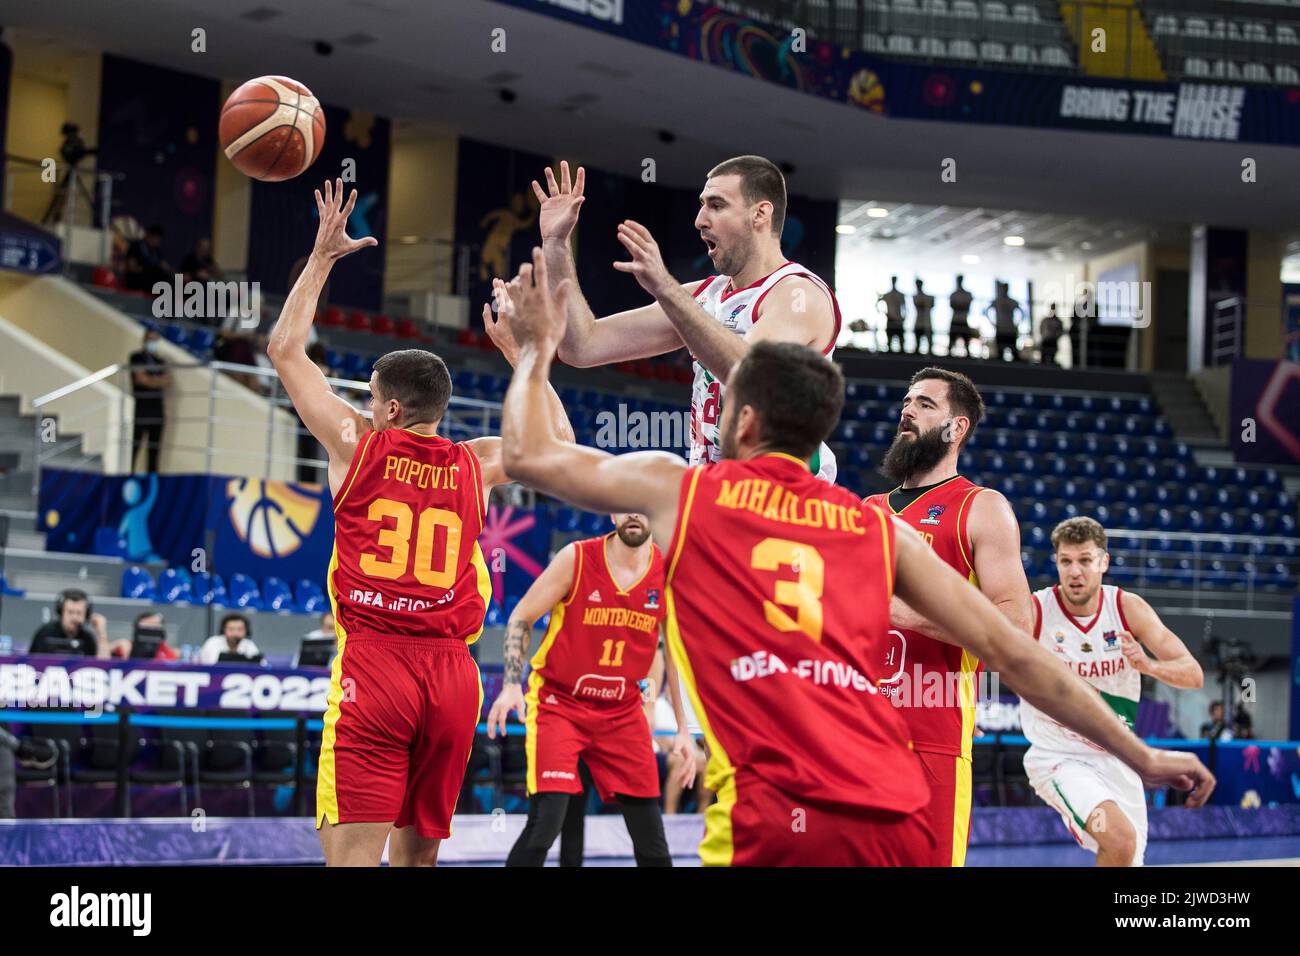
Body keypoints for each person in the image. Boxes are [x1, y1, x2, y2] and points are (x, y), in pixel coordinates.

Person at [492, 251, 1214, 866]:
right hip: (889, 811)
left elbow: (527, 455)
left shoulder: (686, 494)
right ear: (822, 433)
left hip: (775, 811)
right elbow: (1018, 653)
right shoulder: (875, 530)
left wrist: (534, 350)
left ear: (739, 420)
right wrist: (1142, 756)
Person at [266, 180, 572, 867]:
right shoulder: (478, 463)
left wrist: (321, 257)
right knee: (417, 864)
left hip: (374, 669)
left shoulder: (358, 444)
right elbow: (561, 444)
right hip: (454, 677)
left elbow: (286, 349)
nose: (365, 406)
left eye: (370, 398)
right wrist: (523, 355)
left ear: (392, 411)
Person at [536, 157, 841, 482]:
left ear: (760, 214)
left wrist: (665, 287)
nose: (699, 220)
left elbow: (749, 375)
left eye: (717, 205)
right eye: (701, 205)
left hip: (780, 498)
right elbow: (581, 345)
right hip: (714, 492)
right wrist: (555, 246)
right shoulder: (705, 296)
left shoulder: (797, 294)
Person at [862, 367, 1033, 867]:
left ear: (957, 428)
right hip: (856, 733)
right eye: (906, 402)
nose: (907, 411)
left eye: (925, 404)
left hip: (931, 734)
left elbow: (1016, 629)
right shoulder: (867, 510)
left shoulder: (981, 507)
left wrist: (904, 613)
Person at [487, 513, 693, 867]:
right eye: (622, 505)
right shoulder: (577, 558)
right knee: (544, 827)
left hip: (622, 709)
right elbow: (522, 615)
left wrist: (683, 728)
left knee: (652, 841)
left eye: (639, 506)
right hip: (560, 704)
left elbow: (673, 651)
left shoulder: (668, 570)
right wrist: (510, 685)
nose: (632, 515)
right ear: (610, 512)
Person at [1023, 517, 1205, 866]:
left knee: (1129, 855)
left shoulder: (1127, 608)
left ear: (1104, 562)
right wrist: (967, 705)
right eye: (1066, 561)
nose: (1075, 571)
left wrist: (1149, 666)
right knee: (1120, 840)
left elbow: (1193, 674)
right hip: (1058, 756)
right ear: (1056, 563)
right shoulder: (1037, 609)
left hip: (1118, 757)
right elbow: (985, 650)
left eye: (1085, 561)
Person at [129, 328, 170, 473]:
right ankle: (129, 476)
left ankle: (152, 482)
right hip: (141, 409)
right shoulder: (136, 357)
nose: (152, 343)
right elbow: (140, 379)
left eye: (155, 340)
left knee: (154, 451)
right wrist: (156, 380)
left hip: (157, 410)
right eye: (150, 340)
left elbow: (166, 381)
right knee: (134, 447)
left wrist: (150, 380)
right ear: (144, 340)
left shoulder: (160, 360)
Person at [29, 589, 109, 657]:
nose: (74, 617)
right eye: (70, 612)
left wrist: (101, 632)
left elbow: (102, 666)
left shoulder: (87, 637)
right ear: (61, 613)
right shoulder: (45, 633)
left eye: (79, 613)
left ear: (86, 615)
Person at [109, 611, 179, 661]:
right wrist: (113, 647)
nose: (150, 629)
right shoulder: (126, 646)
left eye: (154, 625)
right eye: (146, 626)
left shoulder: (166, 651)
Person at [123, 224, 173, 293]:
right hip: (136, 280)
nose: (157, 240)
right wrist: (146, 270)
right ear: (148, 235)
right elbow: (131, 268)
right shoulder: (136, 246)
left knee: (169, 280)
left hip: (152, 282)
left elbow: (165, 267)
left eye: (159, 238)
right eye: (155, 237)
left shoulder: (157, 252)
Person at [985, 281, 1024, 361]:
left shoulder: (1011, 302)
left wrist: (1018, 324)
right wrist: (993, 323)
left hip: (1009, 330)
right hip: (1002, 330)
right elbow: (986, 311)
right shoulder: (998, 301)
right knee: (1000, 353)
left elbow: (1022, 313)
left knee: (1013, 353)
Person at [948, 275, 976, 356]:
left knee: (966, 342)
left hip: (963, 320)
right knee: (952, 342)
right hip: (955, 320)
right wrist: (961, 305)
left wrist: (959, 305)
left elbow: (965, 306)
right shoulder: (954, 294)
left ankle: (968, 356)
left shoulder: (967, 294)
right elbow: (953, 306)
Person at [878, 275, 907, 353]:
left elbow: (905, 308)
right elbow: (877, 304)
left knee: (901, 341)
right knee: (890, 341)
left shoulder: (900, 295)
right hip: (890, 320)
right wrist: (885, 313)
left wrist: (904, 318)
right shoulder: (887, 295)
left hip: (898, 320)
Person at [912, 279, 934, 355]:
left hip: (927, 323)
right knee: (917, 343)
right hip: (919, 322)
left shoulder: (928, 297)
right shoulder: (915, 297)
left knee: (929, 343)